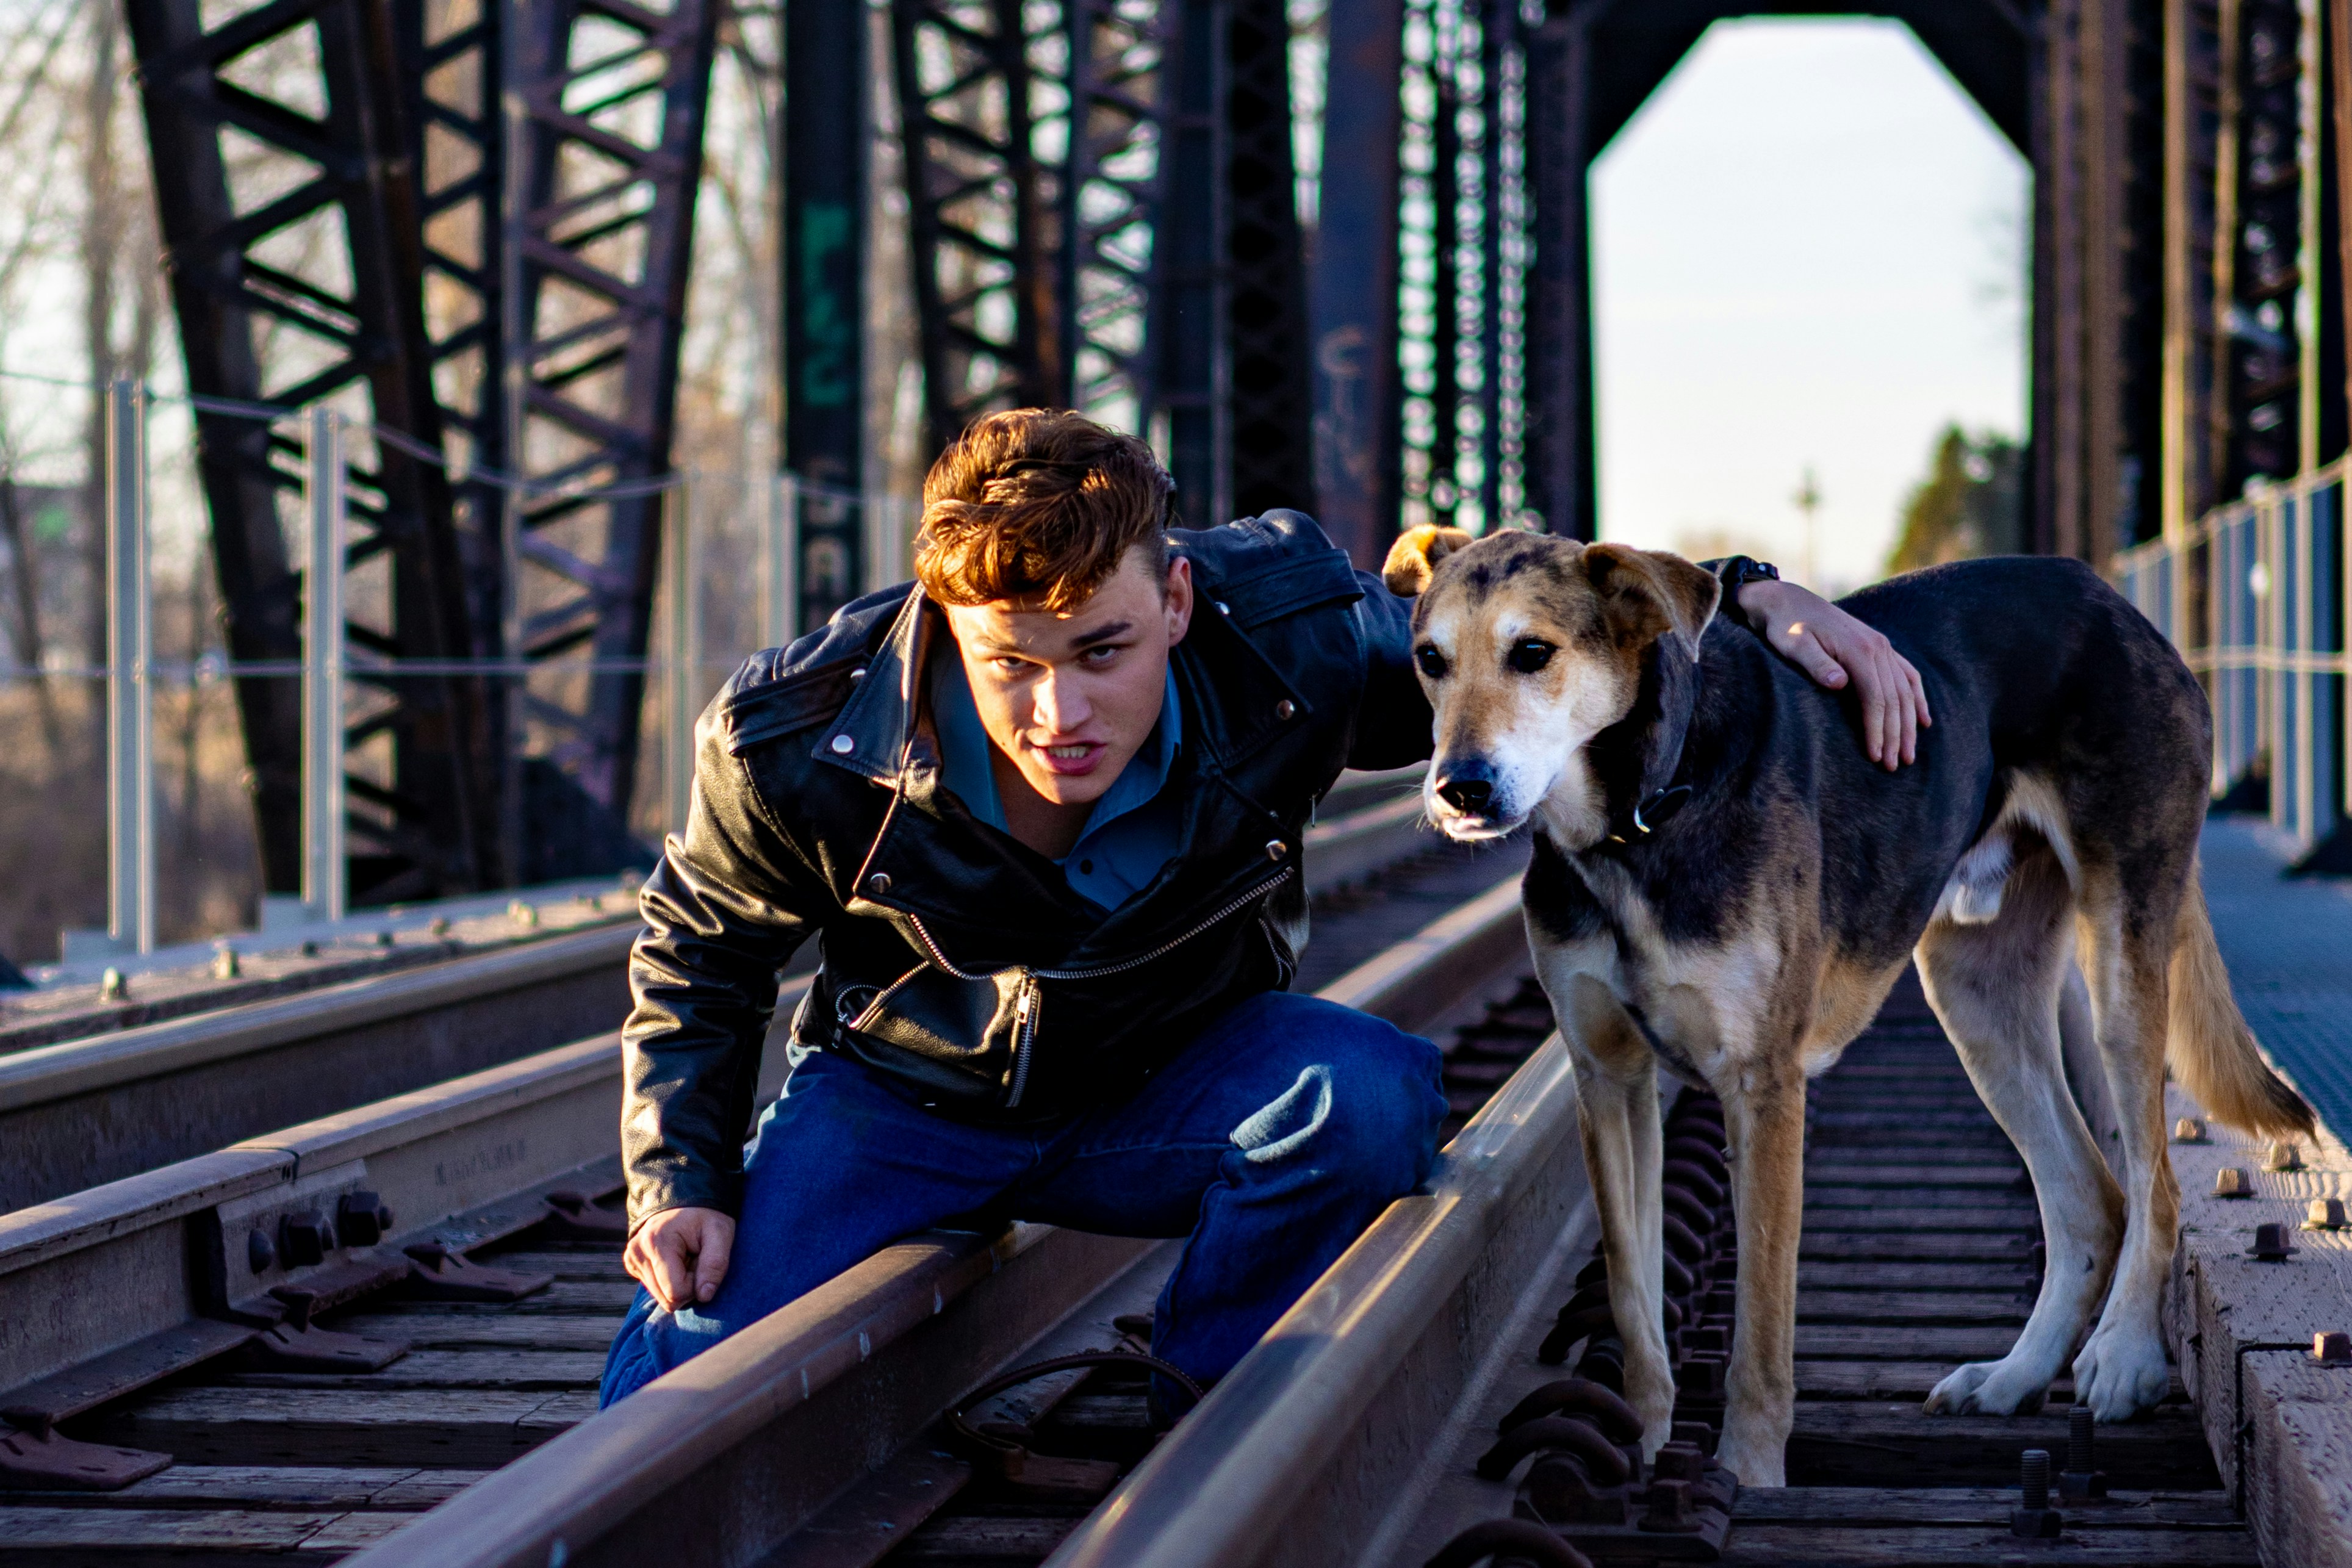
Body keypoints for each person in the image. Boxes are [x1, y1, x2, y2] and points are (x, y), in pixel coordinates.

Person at [599, 409, 1928, 1408]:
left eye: (1102, 651)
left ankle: (1187, 1394)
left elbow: (1529, 616)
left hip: (1173, 1075)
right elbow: (699, 956)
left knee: (1368, 1096)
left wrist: (1746, 585)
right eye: (1008, 663)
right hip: (906, 1098)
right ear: (944, 623)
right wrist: (679, 1177)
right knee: (683, 1366)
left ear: (1175, 601)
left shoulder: (1288, 640)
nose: (1058, 712)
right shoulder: (797, 733)